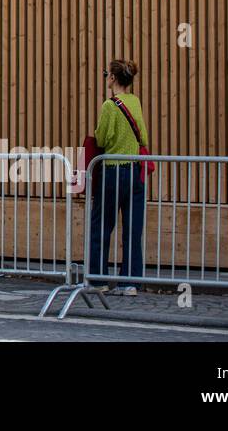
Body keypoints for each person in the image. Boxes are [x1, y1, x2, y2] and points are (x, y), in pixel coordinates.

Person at [86, 58, 148, 296]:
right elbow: (143, 137)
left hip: (112, 169)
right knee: (132, 229)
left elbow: (101, 138)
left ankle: (99, 279)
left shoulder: (109, 106)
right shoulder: (135, 102)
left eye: (106, 74)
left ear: (112, 78)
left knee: (101, 225)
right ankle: (129, 283)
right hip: (135, 170)